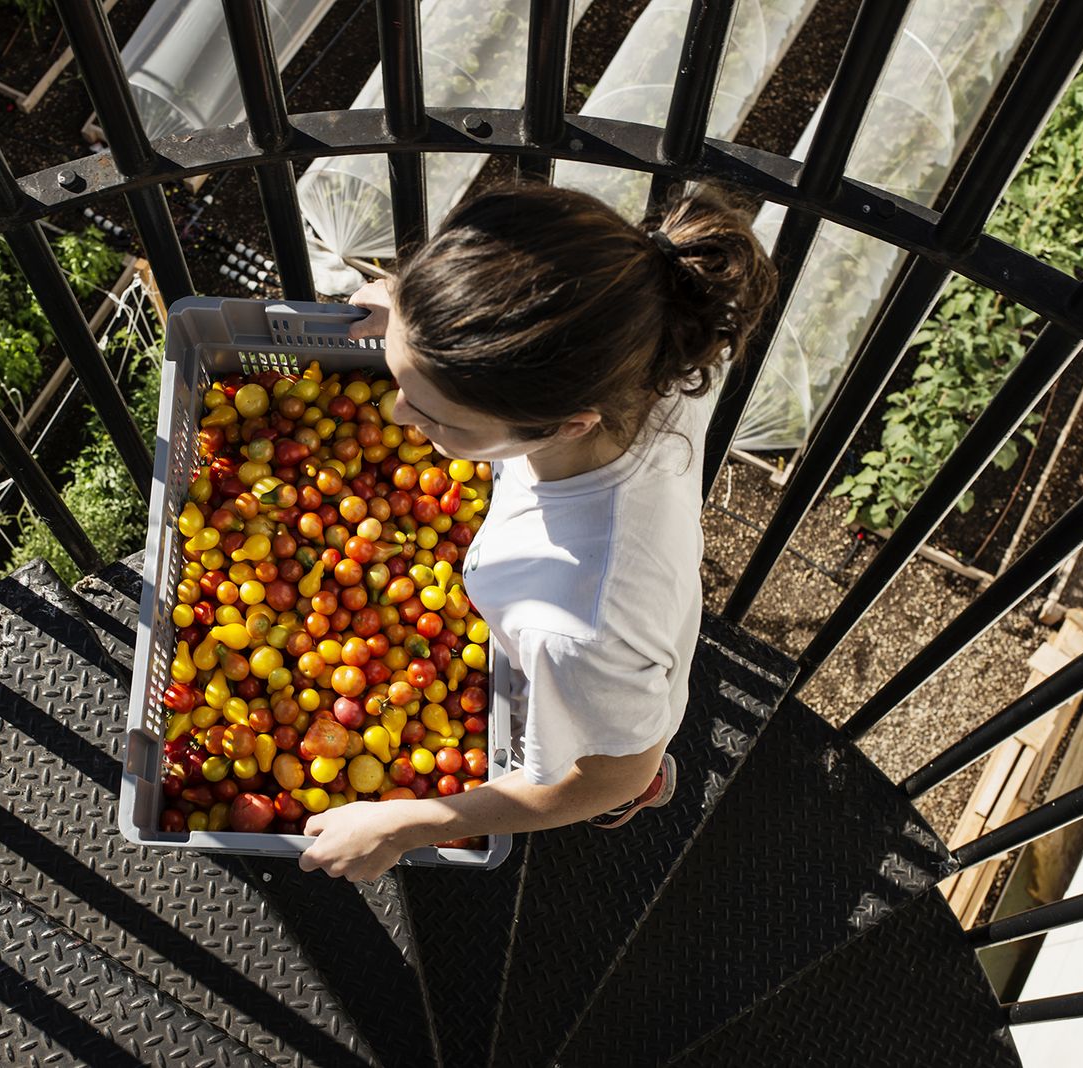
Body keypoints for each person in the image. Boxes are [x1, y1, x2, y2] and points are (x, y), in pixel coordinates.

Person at [297, 179, 777, 882]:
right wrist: (418, 312)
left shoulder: (575, 621)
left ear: (565, 422)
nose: (399, 417)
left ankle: (658, 795)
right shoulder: (652, 348)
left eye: (438, 417)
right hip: (623, 622)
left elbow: (606, 775)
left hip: (608, 678)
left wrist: (403, 823)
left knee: (624, 758)